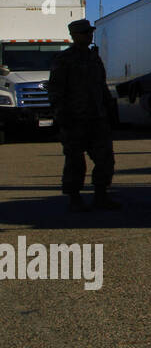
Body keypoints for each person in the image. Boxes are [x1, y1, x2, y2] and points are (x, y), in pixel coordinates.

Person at [47, 19, 119, 211]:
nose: (89, 36)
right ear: (75, 35)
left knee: (105, 158)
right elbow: (55, 90)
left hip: (97, 118)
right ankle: (74, 198)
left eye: (90, 32)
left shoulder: (94, 57)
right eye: (85, 33)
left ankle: (101, 195)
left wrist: (110, 110)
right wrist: (62, 115)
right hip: (74, 119)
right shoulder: (63, 59)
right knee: (75, 161)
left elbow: (101, 86)